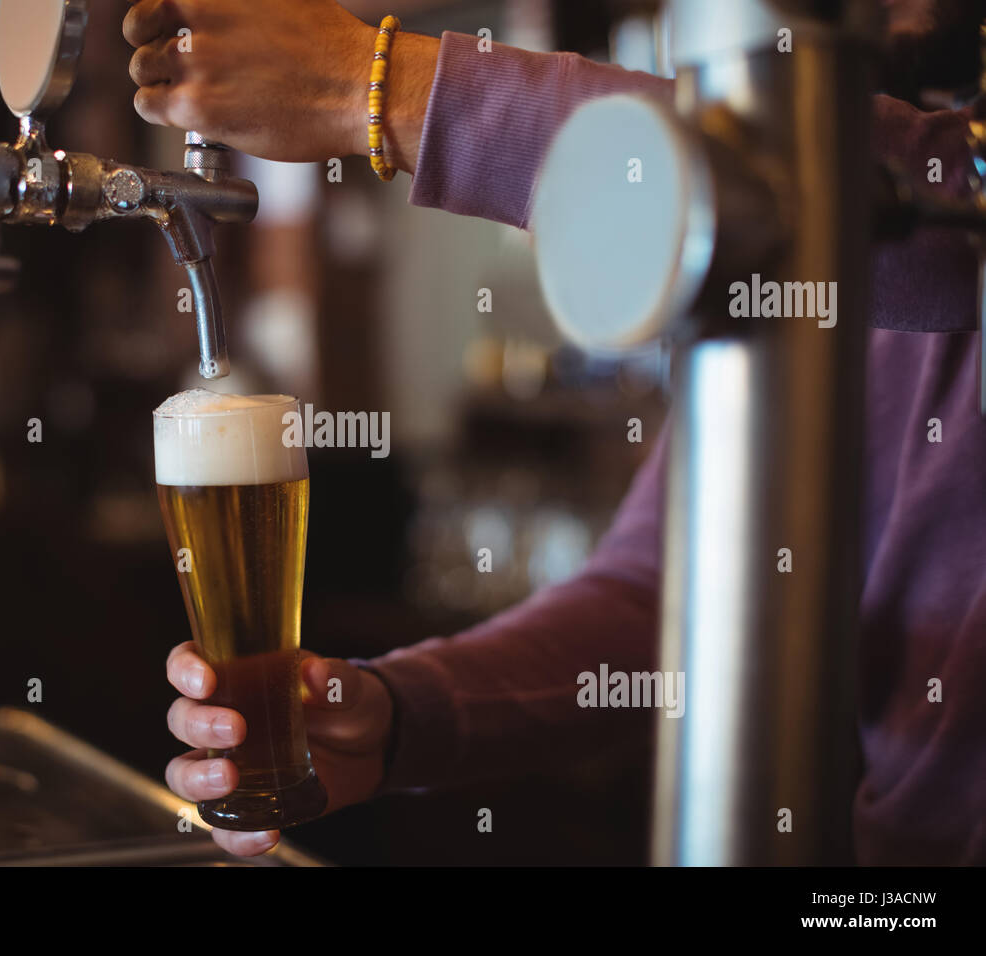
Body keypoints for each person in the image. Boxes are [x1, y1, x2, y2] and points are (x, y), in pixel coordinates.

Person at [126, 0, 986, 863]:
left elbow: (938, 228)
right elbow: (664, 590)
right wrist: (394, 715)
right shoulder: (853, 178)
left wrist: (375, 84)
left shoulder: (898, 191)